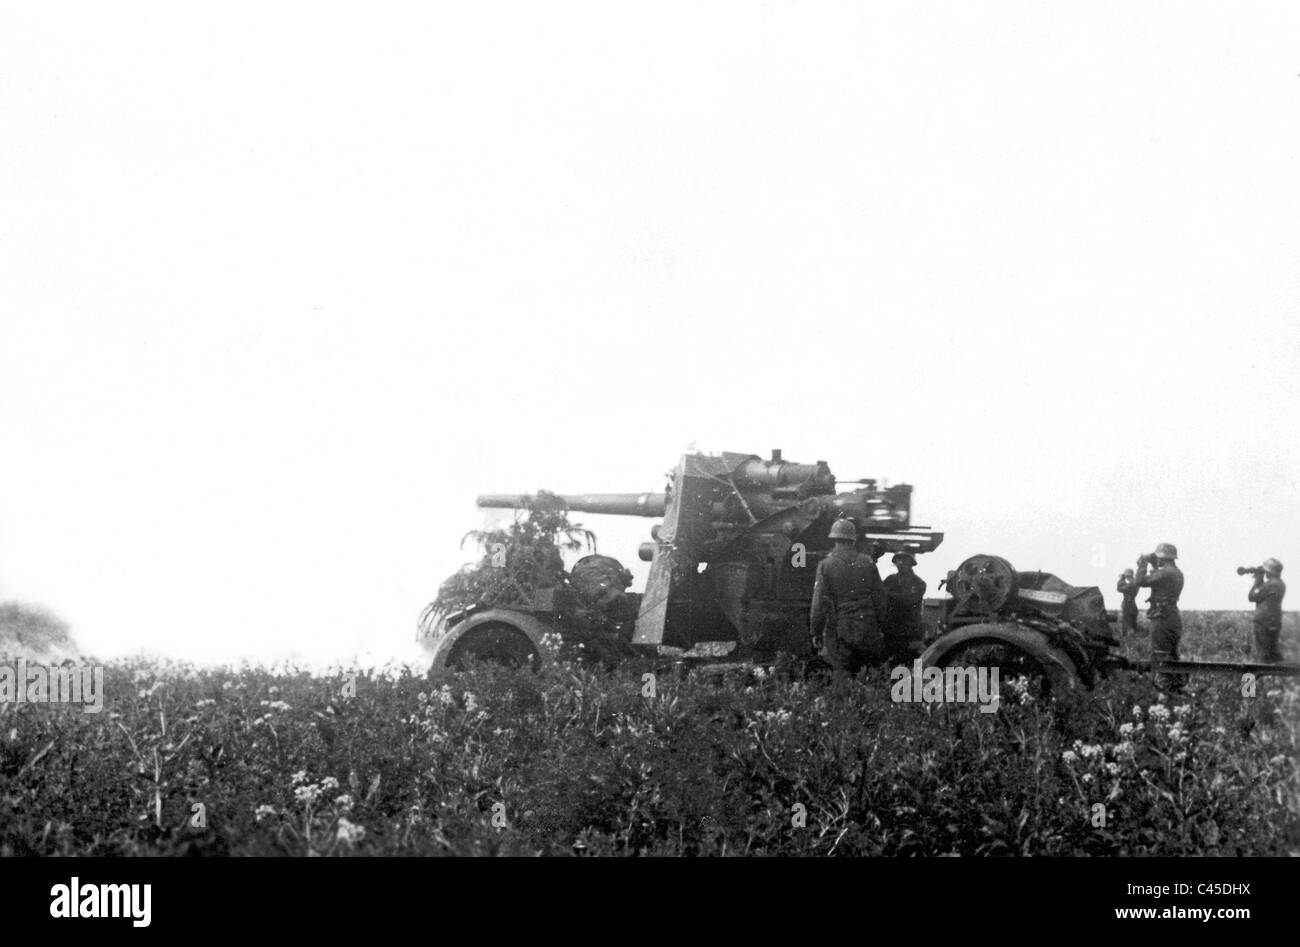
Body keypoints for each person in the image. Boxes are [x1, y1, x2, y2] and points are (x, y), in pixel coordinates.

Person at [809, 519, 887, 678]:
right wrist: (878, 626)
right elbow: (881, 599)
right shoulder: (868, 562)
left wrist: (816, 632)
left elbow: (818, 605)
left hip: (841, 629)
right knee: (868, 677)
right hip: (868, 627)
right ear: (853, 539)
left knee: (842, 675)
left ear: (834, 539)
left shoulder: (825, 565)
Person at [1134, 542, 1185, 692]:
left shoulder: (1165, 573)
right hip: (1173, 616)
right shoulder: (1176, 573)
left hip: (1162, 617)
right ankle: (1175, 691)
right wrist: (1155, 565)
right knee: (1173, 655)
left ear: (1162, 558)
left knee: (1161, 654)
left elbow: (1139, 581)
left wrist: (1142, 564)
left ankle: (1165, 693)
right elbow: (1158, 582)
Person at [882, 551, 927, 662]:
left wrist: (889, 594)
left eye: (904, 560)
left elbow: (909, 599)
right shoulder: (890, 580)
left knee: (909, 661)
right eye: (898, 560)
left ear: (911, 563)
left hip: (910, 630)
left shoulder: (919, 583)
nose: (900, 563)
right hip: (892, 630)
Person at [1247, 558, 1286, 664]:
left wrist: (1257, 581)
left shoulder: (1270, 584)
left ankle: (1260, 677)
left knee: (1263, 654)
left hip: (1262, 621)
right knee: (1273, 652)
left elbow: (1252, 596)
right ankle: (1277, 677)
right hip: (1274, 620)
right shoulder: (1280, 583)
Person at [1115, 568, 1140, 636]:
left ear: (1128, 576)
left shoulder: (1132, 584)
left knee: (1128, 625)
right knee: (1132, 623)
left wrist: (1121, 579)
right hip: (1132, 605)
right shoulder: (1135, 582)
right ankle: (1132, 640)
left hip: (1128, 605)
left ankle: (1129, 639)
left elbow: (1119, 589)